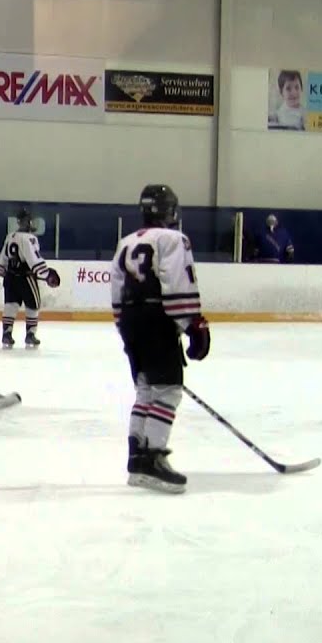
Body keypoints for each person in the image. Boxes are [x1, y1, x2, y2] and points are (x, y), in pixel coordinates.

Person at [110, 184, 210, 494]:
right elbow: (178, 281)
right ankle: (153, 459)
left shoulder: (125, 242)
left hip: (130, 320)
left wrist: (125, 325)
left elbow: (116, 290)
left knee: (146, 389)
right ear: (170, 210)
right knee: (167, 391)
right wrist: (194, 324)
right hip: (157, 319)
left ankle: (136, 458)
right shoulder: (173, 239)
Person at [0, 208, 60, 349]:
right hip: (26, 278)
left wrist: (0, 268)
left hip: (10, 277)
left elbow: (3, 258)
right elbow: (33, 259)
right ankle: (30, 334)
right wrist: (46, 273)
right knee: (33, 304)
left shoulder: (11, 236)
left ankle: (7, 333)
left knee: (10, 305)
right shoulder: (29, 238)